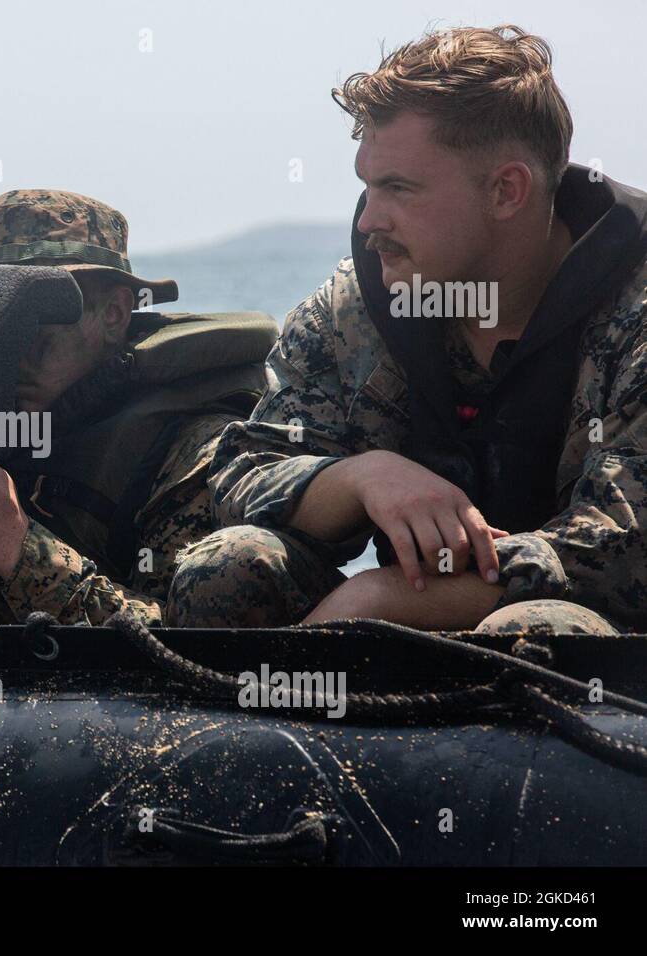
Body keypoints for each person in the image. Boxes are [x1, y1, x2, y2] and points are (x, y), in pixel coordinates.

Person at [168, 25, 647, 636]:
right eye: (366, 186)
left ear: (506, 191)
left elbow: (623, 552)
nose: (369, 219)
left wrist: (376, 600)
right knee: (228, 567)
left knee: (538, 628)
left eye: (397, 188)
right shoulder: (354, 309)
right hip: (401, 624)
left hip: (598, 655)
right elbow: (245, 471)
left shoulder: (635, 314)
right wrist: (364, 477)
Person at [0, 189, 276, 625]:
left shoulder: (190, 450)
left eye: (33, 312)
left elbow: (185, 649)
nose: (9, 351)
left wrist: (17, 548)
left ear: (113, 313)